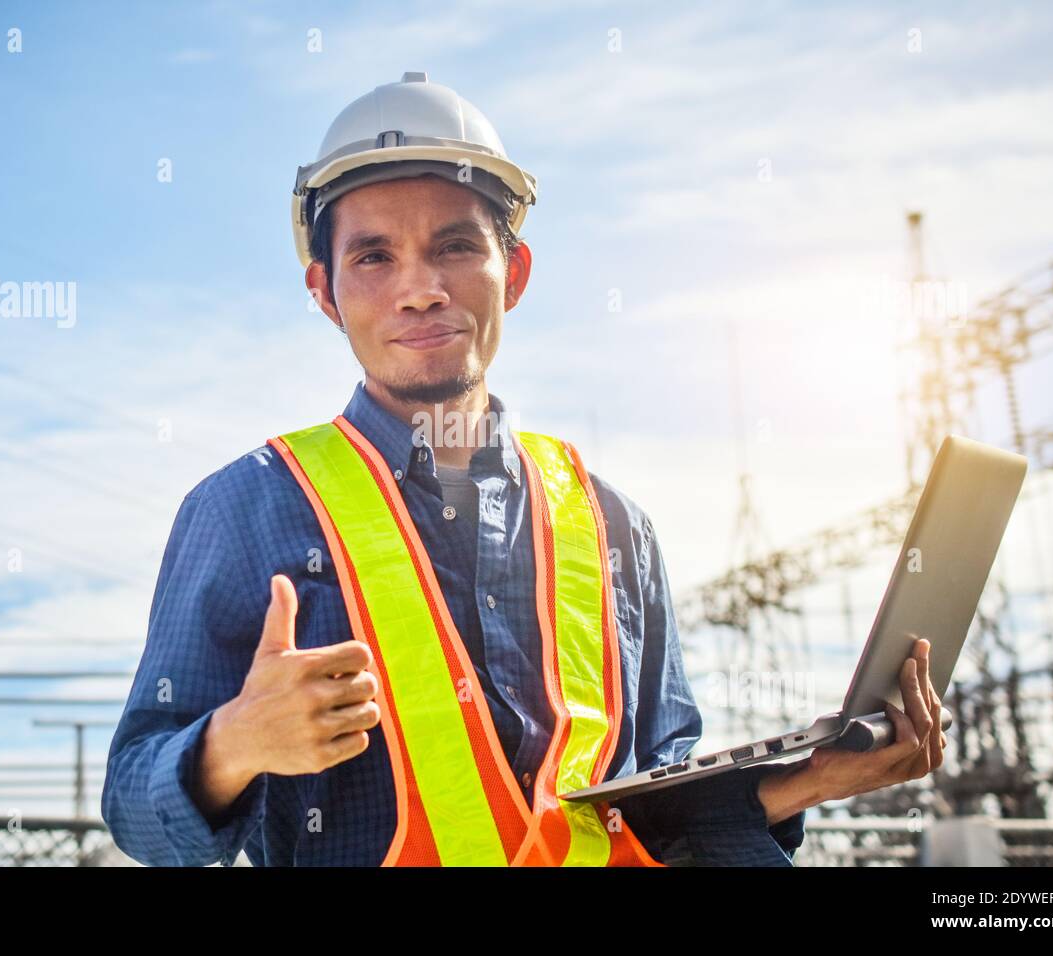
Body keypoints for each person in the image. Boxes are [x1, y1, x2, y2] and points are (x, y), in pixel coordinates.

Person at [102, 73, 946, 867]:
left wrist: (814, 781)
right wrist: (233, 746)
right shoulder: (244, 508)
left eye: (456, 246)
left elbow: (653, 806)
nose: (420, 288)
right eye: (373, 257)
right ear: (324, 293)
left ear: (517, 273)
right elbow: (135, 806)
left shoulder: (616, 526)